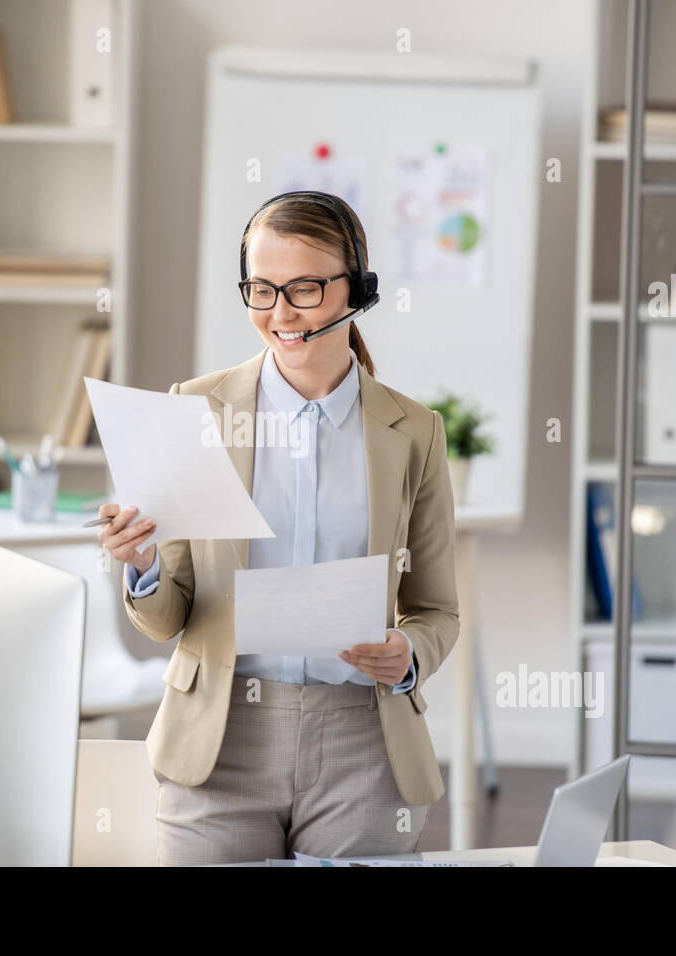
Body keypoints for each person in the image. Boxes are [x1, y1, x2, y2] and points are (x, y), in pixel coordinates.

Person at [97, 191, 460, 865]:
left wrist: (409, 656)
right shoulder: (195, 408)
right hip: (219, 738)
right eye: (261, 290)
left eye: (305, 289)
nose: (281, 315)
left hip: (364, 743)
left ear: (360, 291)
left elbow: (436, 610)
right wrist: (144, 562)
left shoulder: (414, 432)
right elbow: (166, 617)